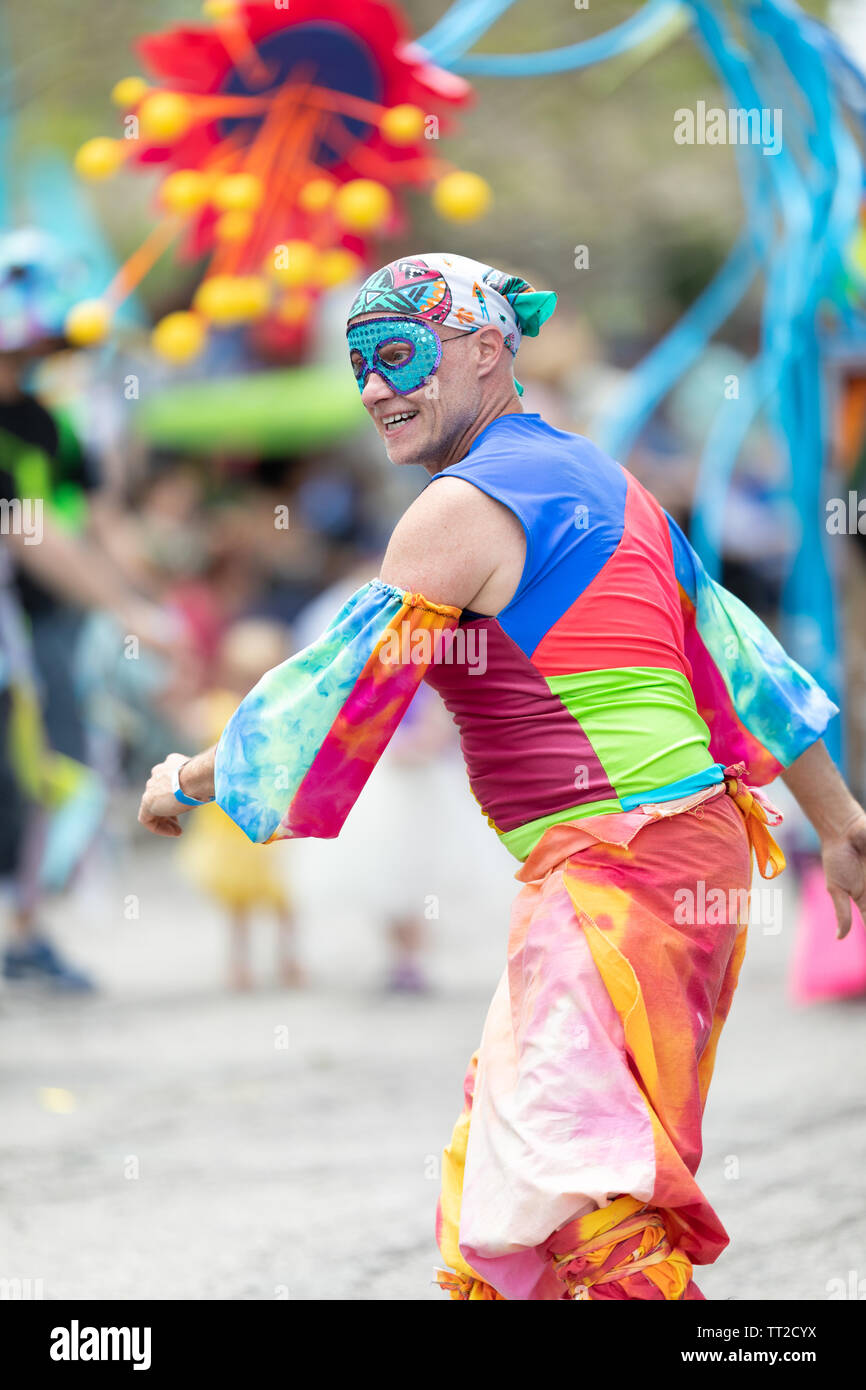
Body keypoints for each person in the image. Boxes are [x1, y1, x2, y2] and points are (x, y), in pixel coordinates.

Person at [139, 252, 866, 1301]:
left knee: (573, 1189)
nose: (378, 386)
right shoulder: (607, 478)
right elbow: (745, 658)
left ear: (486, 350)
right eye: (360, 365)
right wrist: (837, 821)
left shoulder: (457, 508)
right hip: (682, 861)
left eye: (400, 353)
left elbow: (331, 689)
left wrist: (187, 778)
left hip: (616, 871)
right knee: (542, 1174)